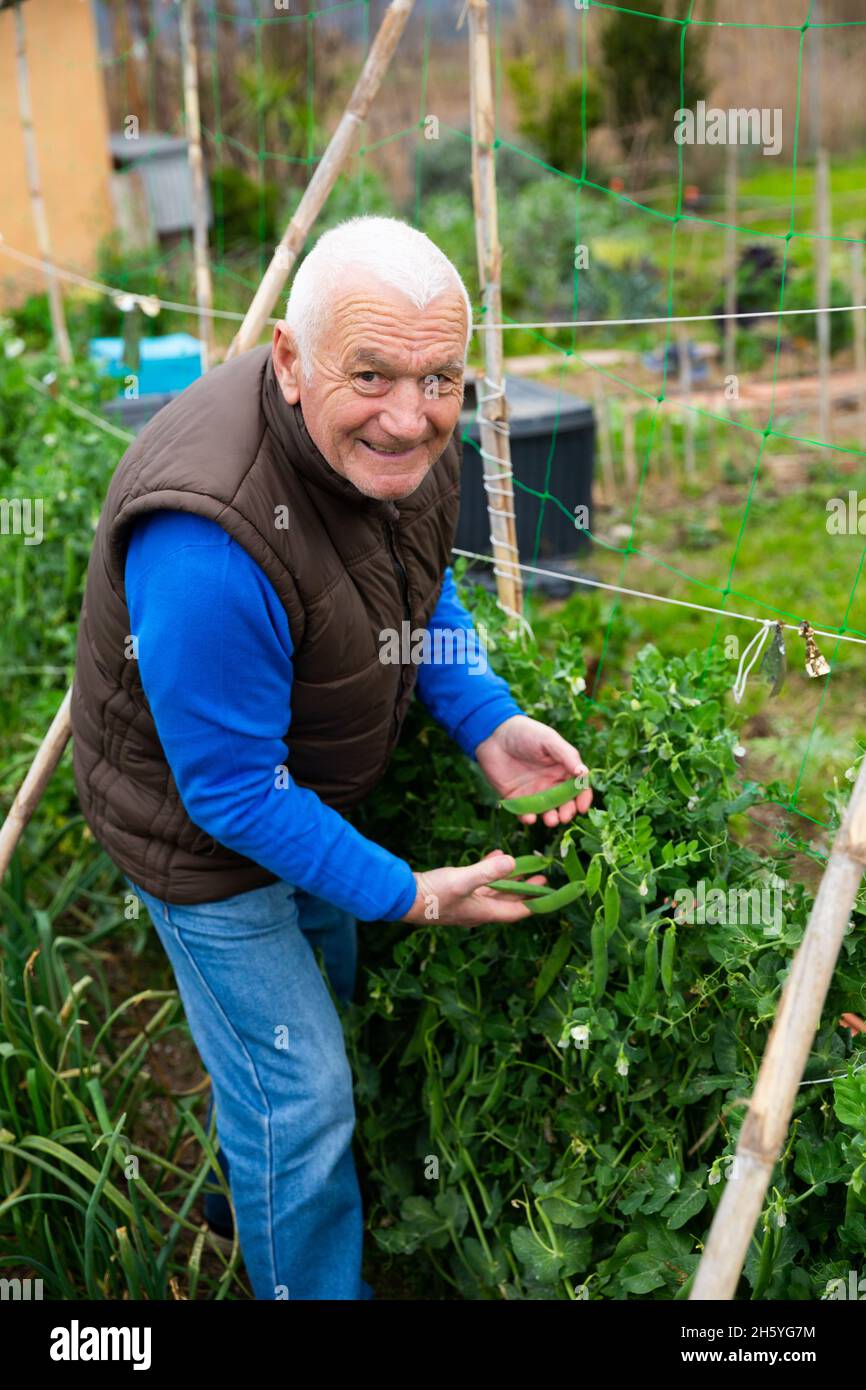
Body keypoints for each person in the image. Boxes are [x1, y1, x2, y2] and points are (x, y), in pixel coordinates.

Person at [70, 216, 593, 1300]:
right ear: (292, 365)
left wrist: (485, 723)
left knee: (321, 989)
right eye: (371, 374)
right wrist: (407, 892)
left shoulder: (401, 451)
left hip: (300, 790)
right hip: (199, 837)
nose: (410, 416)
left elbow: (416, 590)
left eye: (438, 378)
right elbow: (228, 795)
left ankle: (245, 1190)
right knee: (301, 1093)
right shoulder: (208, 540)